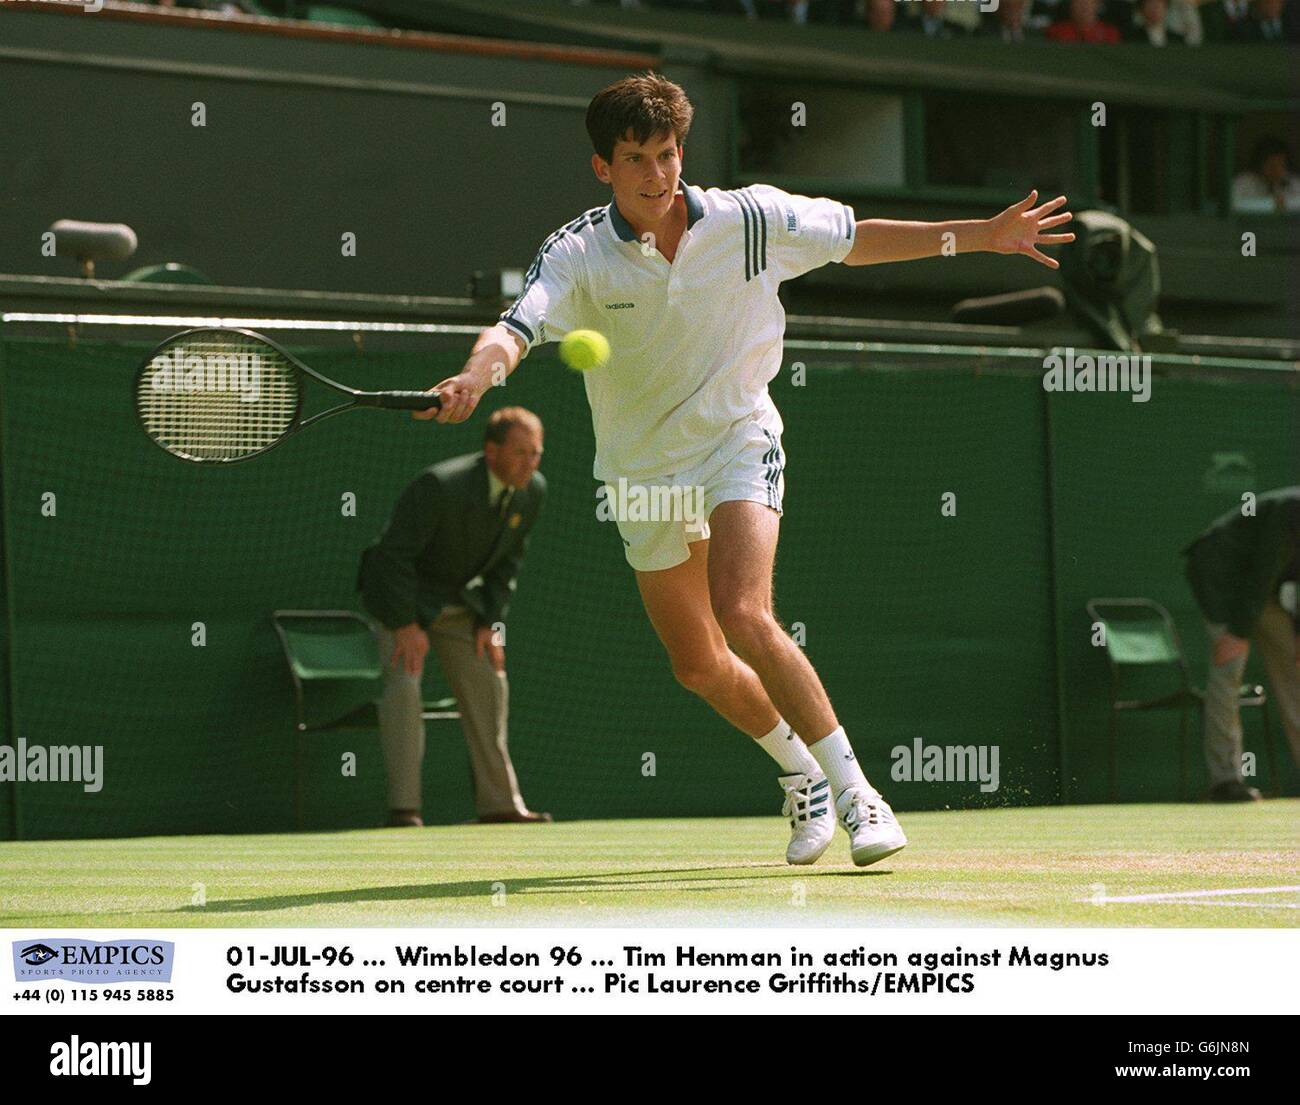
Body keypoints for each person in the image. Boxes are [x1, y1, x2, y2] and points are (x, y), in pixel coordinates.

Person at [418, 73, 1073, 866]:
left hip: (738, 435)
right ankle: (801, 774)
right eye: (636, 159)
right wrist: (474, 376)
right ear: (603, 167)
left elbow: (857, 237)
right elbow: (513, 329)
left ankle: (859, 794)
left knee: (744, 611)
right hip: (642, 473)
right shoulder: (577, 253)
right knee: (697, 664)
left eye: (667, 154)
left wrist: (981, 235)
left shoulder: (749, 220)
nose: (657, 175)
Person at [358, 408, 551, 826]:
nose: (530, 463)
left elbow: (508, 563)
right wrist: (405, 625)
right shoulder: (440, 486)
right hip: (402, 599)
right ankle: (405, 810)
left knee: (490, 680)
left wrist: (489, 623)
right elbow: (391, 558)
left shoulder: (532, 490)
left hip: (460, 605)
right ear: (491, 451)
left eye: (536, 453)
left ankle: (501, 806)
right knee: (405, 686)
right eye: (520, 453)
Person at [1183, 488, 1300, 802]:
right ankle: (1226, 781)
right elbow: (1264, 566)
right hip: (1220, 577)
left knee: (1294, 670)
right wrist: (1237, 633)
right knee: (1228, 669)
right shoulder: (1292, 508)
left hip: (1262, 588)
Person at [1232, 136, 1300, 214]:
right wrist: (1271, 204)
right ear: (1260, 164)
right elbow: (1232, 204)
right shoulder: (1244, 182)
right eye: (1272, 165)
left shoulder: (1293, 182)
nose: (1277, 170)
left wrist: (1287, 204)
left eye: (1281, 165)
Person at [1046, 0, 1123, 40]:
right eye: (1079, 2)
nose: (1083, 7)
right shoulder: (1056, 32)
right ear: (1071, 5)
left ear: (1097, 5)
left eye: (1088, 3)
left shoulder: (1110, 33)